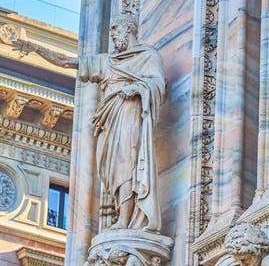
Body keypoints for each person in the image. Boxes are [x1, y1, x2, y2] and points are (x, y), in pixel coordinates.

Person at [14, 14, 165, 231]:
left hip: (130, 113)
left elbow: (159, 84)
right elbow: (68, 61)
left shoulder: (148, 56)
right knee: (111, 169)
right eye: (110, 29)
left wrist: (137, 88)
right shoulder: (107, 61)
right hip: (109, 120)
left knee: (126, 164)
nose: (112, 34)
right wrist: (34, 47)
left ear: (130, 28)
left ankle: (125, 221)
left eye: (115, 28)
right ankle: (121, 217)